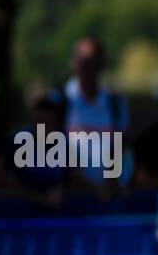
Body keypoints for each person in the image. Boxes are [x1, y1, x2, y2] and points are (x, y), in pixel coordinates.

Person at [54, 36, 129, 190]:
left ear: (101, 64)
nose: (86, 66)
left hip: (106, 196)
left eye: (91, 61)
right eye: (81, 60)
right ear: (73, 63)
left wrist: (110, 181)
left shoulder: (115, 102)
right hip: (69, 194)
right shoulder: (60, 100)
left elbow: (120, 146)